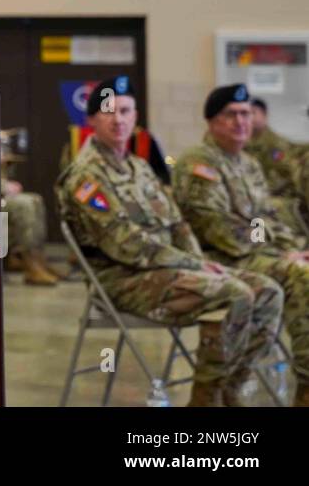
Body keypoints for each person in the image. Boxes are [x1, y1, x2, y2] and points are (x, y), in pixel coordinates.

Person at [58, 76, 283, 406]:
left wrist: (199, 261)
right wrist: (195, 265)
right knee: (232, 294)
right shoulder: (86, 176)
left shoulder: (139, 167)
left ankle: (230, 387)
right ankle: (205, 399)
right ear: (91, 120)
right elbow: (128, 246)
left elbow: (177, 224)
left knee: (268, 292)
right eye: (109, 112)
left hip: (168, 270)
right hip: (122, 280)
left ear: (135, 117)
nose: (118, 119)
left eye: (125, 110)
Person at [173, 83, 309, 407]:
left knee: (302, 264)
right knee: (300, 275)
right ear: (211, 121)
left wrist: (291, 246)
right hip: (219, 260)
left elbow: (267, 218)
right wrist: (276, 247)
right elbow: (223, 232)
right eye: (230, 114)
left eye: (245, 113)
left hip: (257, 254)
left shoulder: (247, 163)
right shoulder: (199, 164)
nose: (241, 121)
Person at [247, 97, 309, 233]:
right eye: (246, 113)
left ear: (264, 115)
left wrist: (260, 194)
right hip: (254, 195)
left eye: (253, 113)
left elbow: (283, 178)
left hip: (281, 198)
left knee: (258, 211)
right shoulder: (243, 142)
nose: (248, 118)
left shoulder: (275, 145)